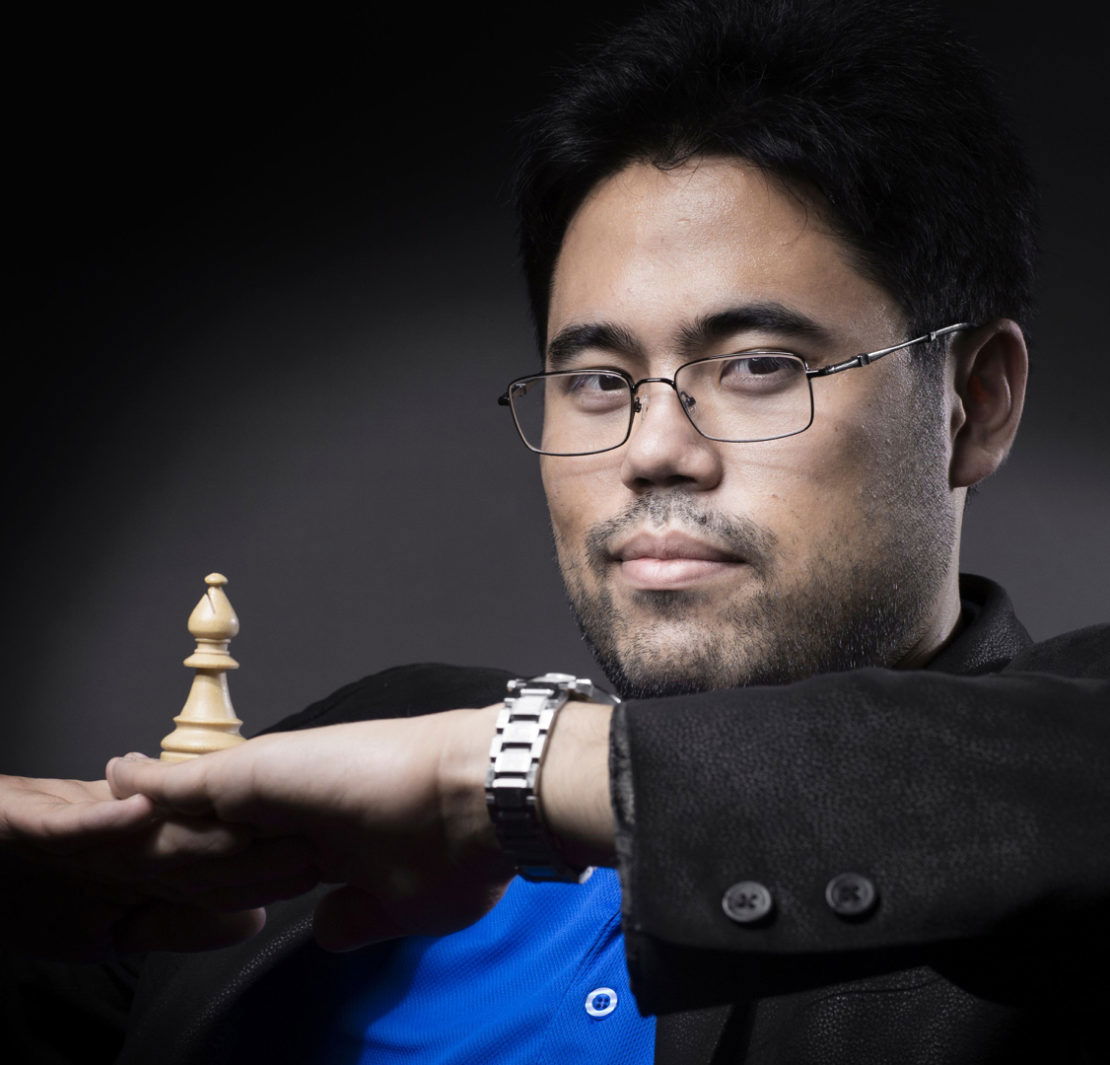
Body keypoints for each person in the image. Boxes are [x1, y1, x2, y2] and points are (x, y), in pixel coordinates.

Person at [2, 1, 1107, 1062]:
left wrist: (493, 777)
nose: (653, 448)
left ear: (978, 402)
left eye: (760, 366)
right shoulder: (378, 738)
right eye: (595, 378)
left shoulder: (1044, 853)